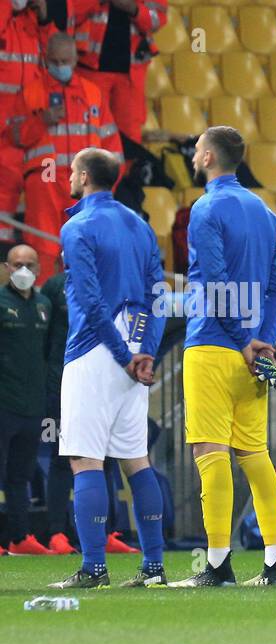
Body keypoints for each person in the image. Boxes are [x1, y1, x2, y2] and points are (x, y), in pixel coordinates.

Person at [170, 126, 276, 588]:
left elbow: (216, 281)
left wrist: (242, 340)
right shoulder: (266, 214)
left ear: (207, 157)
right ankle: (275, 562)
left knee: (210, 449)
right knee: (255, 453)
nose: (193, 156)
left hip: (213, 344)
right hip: (253, 354)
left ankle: (218, 565)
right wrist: (264, 342)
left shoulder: (205, 209)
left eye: (197, 150)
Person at [48, 147, 166, 588]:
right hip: (137, 344)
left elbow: (90, 301)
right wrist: (145, 351)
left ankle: (94, 568)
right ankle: (153, 568)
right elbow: (158, 295)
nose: (69, 177)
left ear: (83, 177)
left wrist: (121, 354)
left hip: (96, 350)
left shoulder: (76, 227)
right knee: (136, 459)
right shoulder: (140, 225)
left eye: (72, 172)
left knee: (85, 459)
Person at [13, 31, 121, 277]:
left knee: (84, 248)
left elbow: (111, 144)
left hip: (85, 183)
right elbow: (16, 136)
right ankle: (41, 300)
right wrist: (41, 121)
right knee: (43, 247)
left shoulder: (93, 93)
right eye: (55, 61)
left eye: (65, 61)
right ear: (45, 59)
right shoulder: (30, 92)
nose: (60, 66)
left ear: (74, 60)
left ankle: (82, 299)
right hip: (46, 180)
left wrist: (108, 184)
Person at [0, 243, 56, 555]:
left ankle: (19, 538)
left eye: (29, 264)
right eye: (17, 264)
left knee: (20, 475)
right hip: (3, 402)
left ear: (38, 268)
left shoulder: (44, 304)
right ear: (7, 267)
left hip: (33, 405)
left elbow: (47, 351)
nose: (23, 270)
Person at [69, 0, 166, 146]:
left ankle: (128, 162)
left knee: (129, 134)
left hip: (131, 72)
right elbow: (69, 12)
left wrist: (134, 9)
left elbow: (158, 20)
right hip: (90, 67)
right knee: (89, 130)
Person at [0, 0, 56, 245]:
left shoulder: (31, 22)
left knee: (43, 207)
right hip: (5, 133)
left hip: (33, 129)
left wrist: (44, 19)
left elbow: (58, 51)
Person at [37, 265, 76, 554]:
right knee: (61, 455)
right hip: (60, 383)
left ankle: (106, 531)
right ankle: (57, 532)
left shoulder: (108, 281)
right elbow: (44, 338)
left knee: (106, 458)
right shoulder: (55, 286)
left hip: (99, 385)